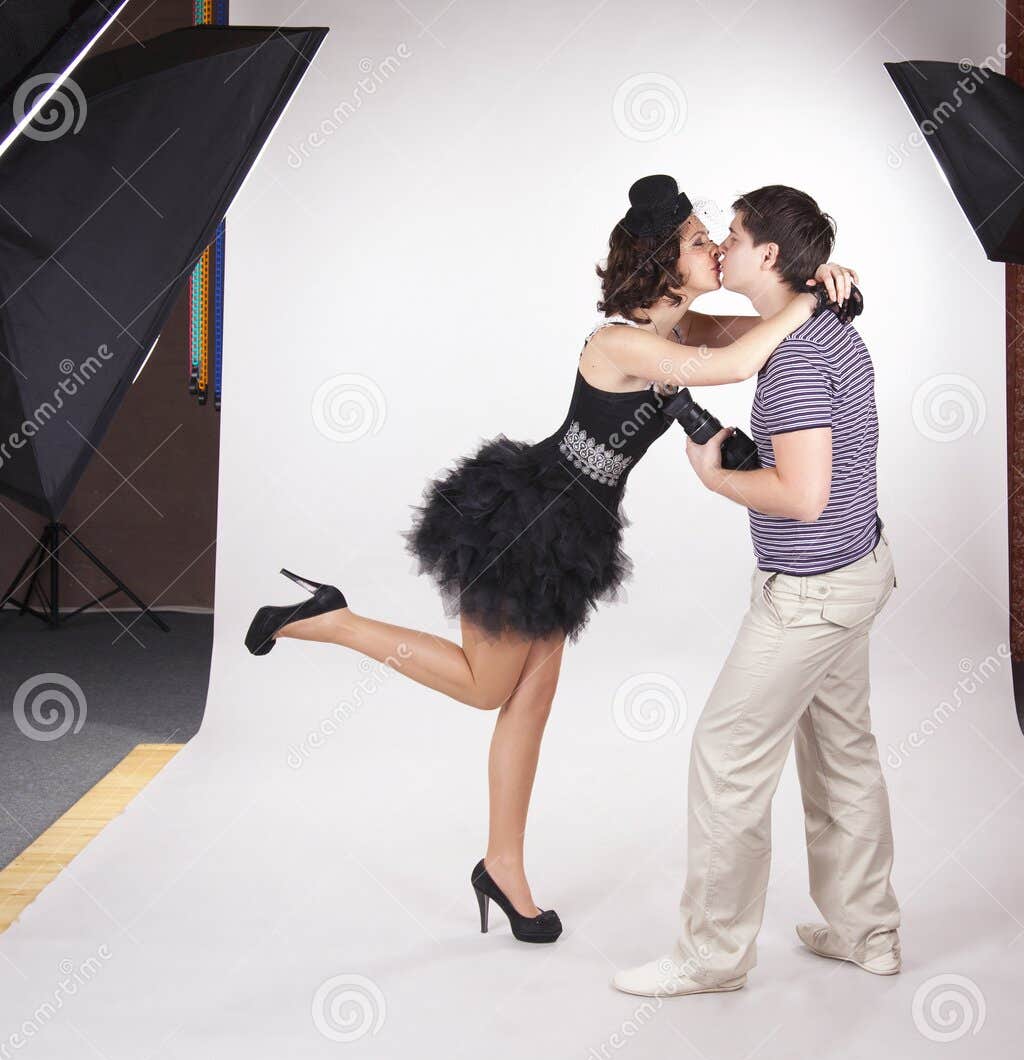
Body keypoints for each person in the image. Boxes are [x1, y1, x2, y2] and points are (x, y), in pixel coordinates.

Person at [242, 175, 859, 945]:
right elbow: (739, 367)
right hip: (523, 521)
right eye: (702, 240)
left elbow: (759, 339)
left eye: (715, 238)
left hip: (574, 532)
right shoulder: (619, 340)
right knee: (483, 686)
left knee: (528, 704)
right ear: (668, 259)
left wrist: (818, 287)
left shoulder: (684, 327)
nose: (715, 249)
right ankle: (336, 620)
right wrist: (806, 301)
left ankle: (503, 866)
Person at [611, 185, 900, 997]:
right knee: (842, 752)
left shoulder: (795, 363)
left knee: (727, 754)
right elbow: (704, 332)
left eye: (731, 237)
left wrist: (716, 479)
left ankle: (711, 955)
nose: (721, 248)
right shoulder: (823, 324)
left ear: (767, 255)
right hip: (859, 569)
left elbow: (802, 496)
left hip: (809, 593)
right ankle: (866, 932)